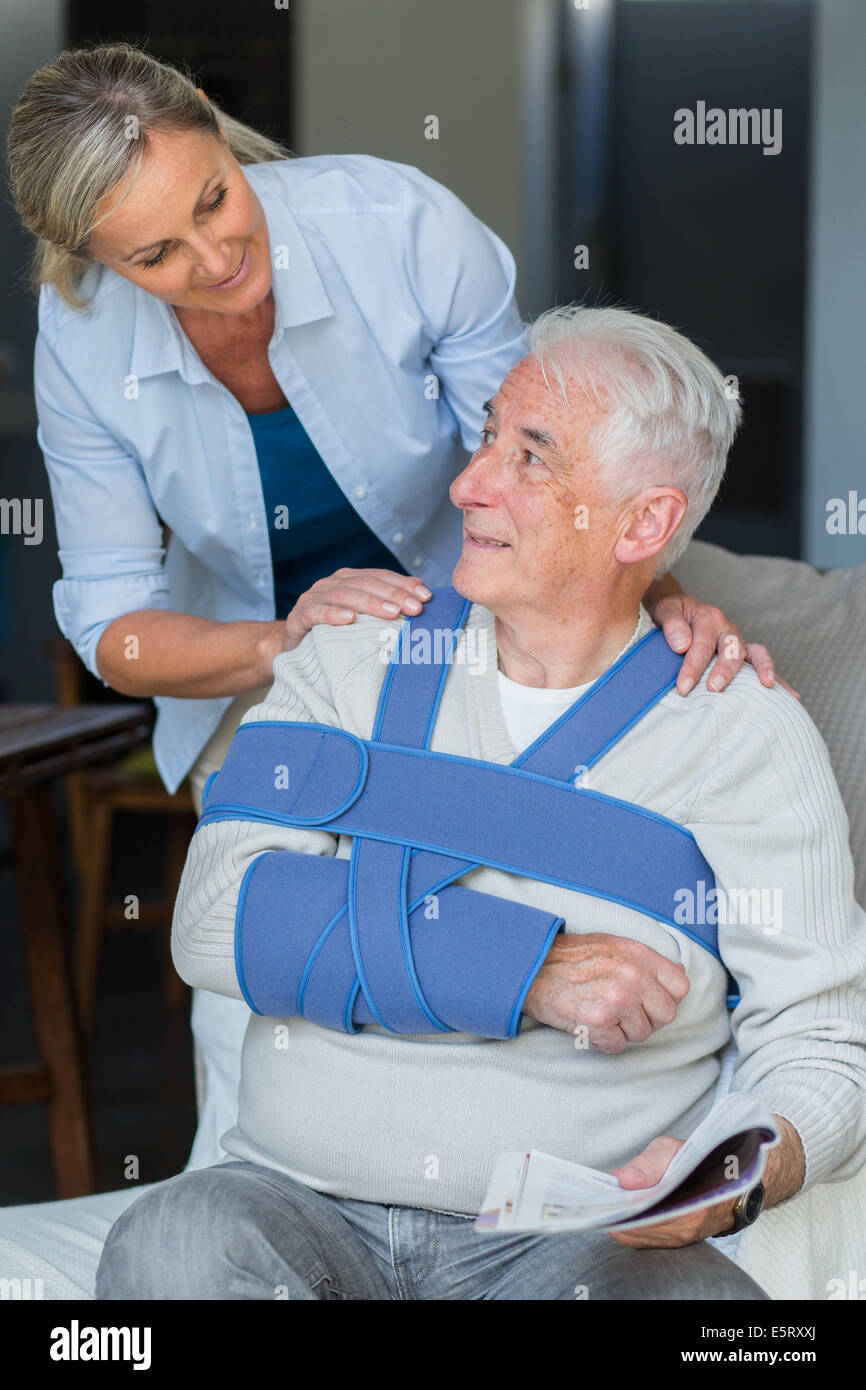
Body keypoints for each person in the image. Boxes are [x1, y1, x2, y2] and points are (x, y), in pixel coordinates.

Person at [8, 42, 784, 1172]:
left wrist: (655, 592)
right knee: (255, 974)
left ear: (218, 126)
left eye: (214, 200)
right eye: (155, 255)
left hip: (477, 634)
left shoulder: (398, 228)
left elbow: (539, 458)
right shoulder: (81, 346)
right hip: (262, 663)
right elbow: (114, 626)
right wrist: (282, 644)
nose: (216, 256)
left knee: (485, 921)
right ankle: (250, 1192)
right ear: (93, 259)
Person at [95, 306, 866, 1300]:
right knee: (169, 1248)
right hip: (292, 1209)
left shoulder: (739, 729)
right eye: (486, 434)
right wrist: (525, 968)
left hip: (571, 1247)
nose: (468, 483)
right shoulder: (350, 655)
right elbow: (210, 925)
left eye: (530, 457)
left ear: (642, 524)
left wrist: (730, 1174)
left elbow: (820, 1040)